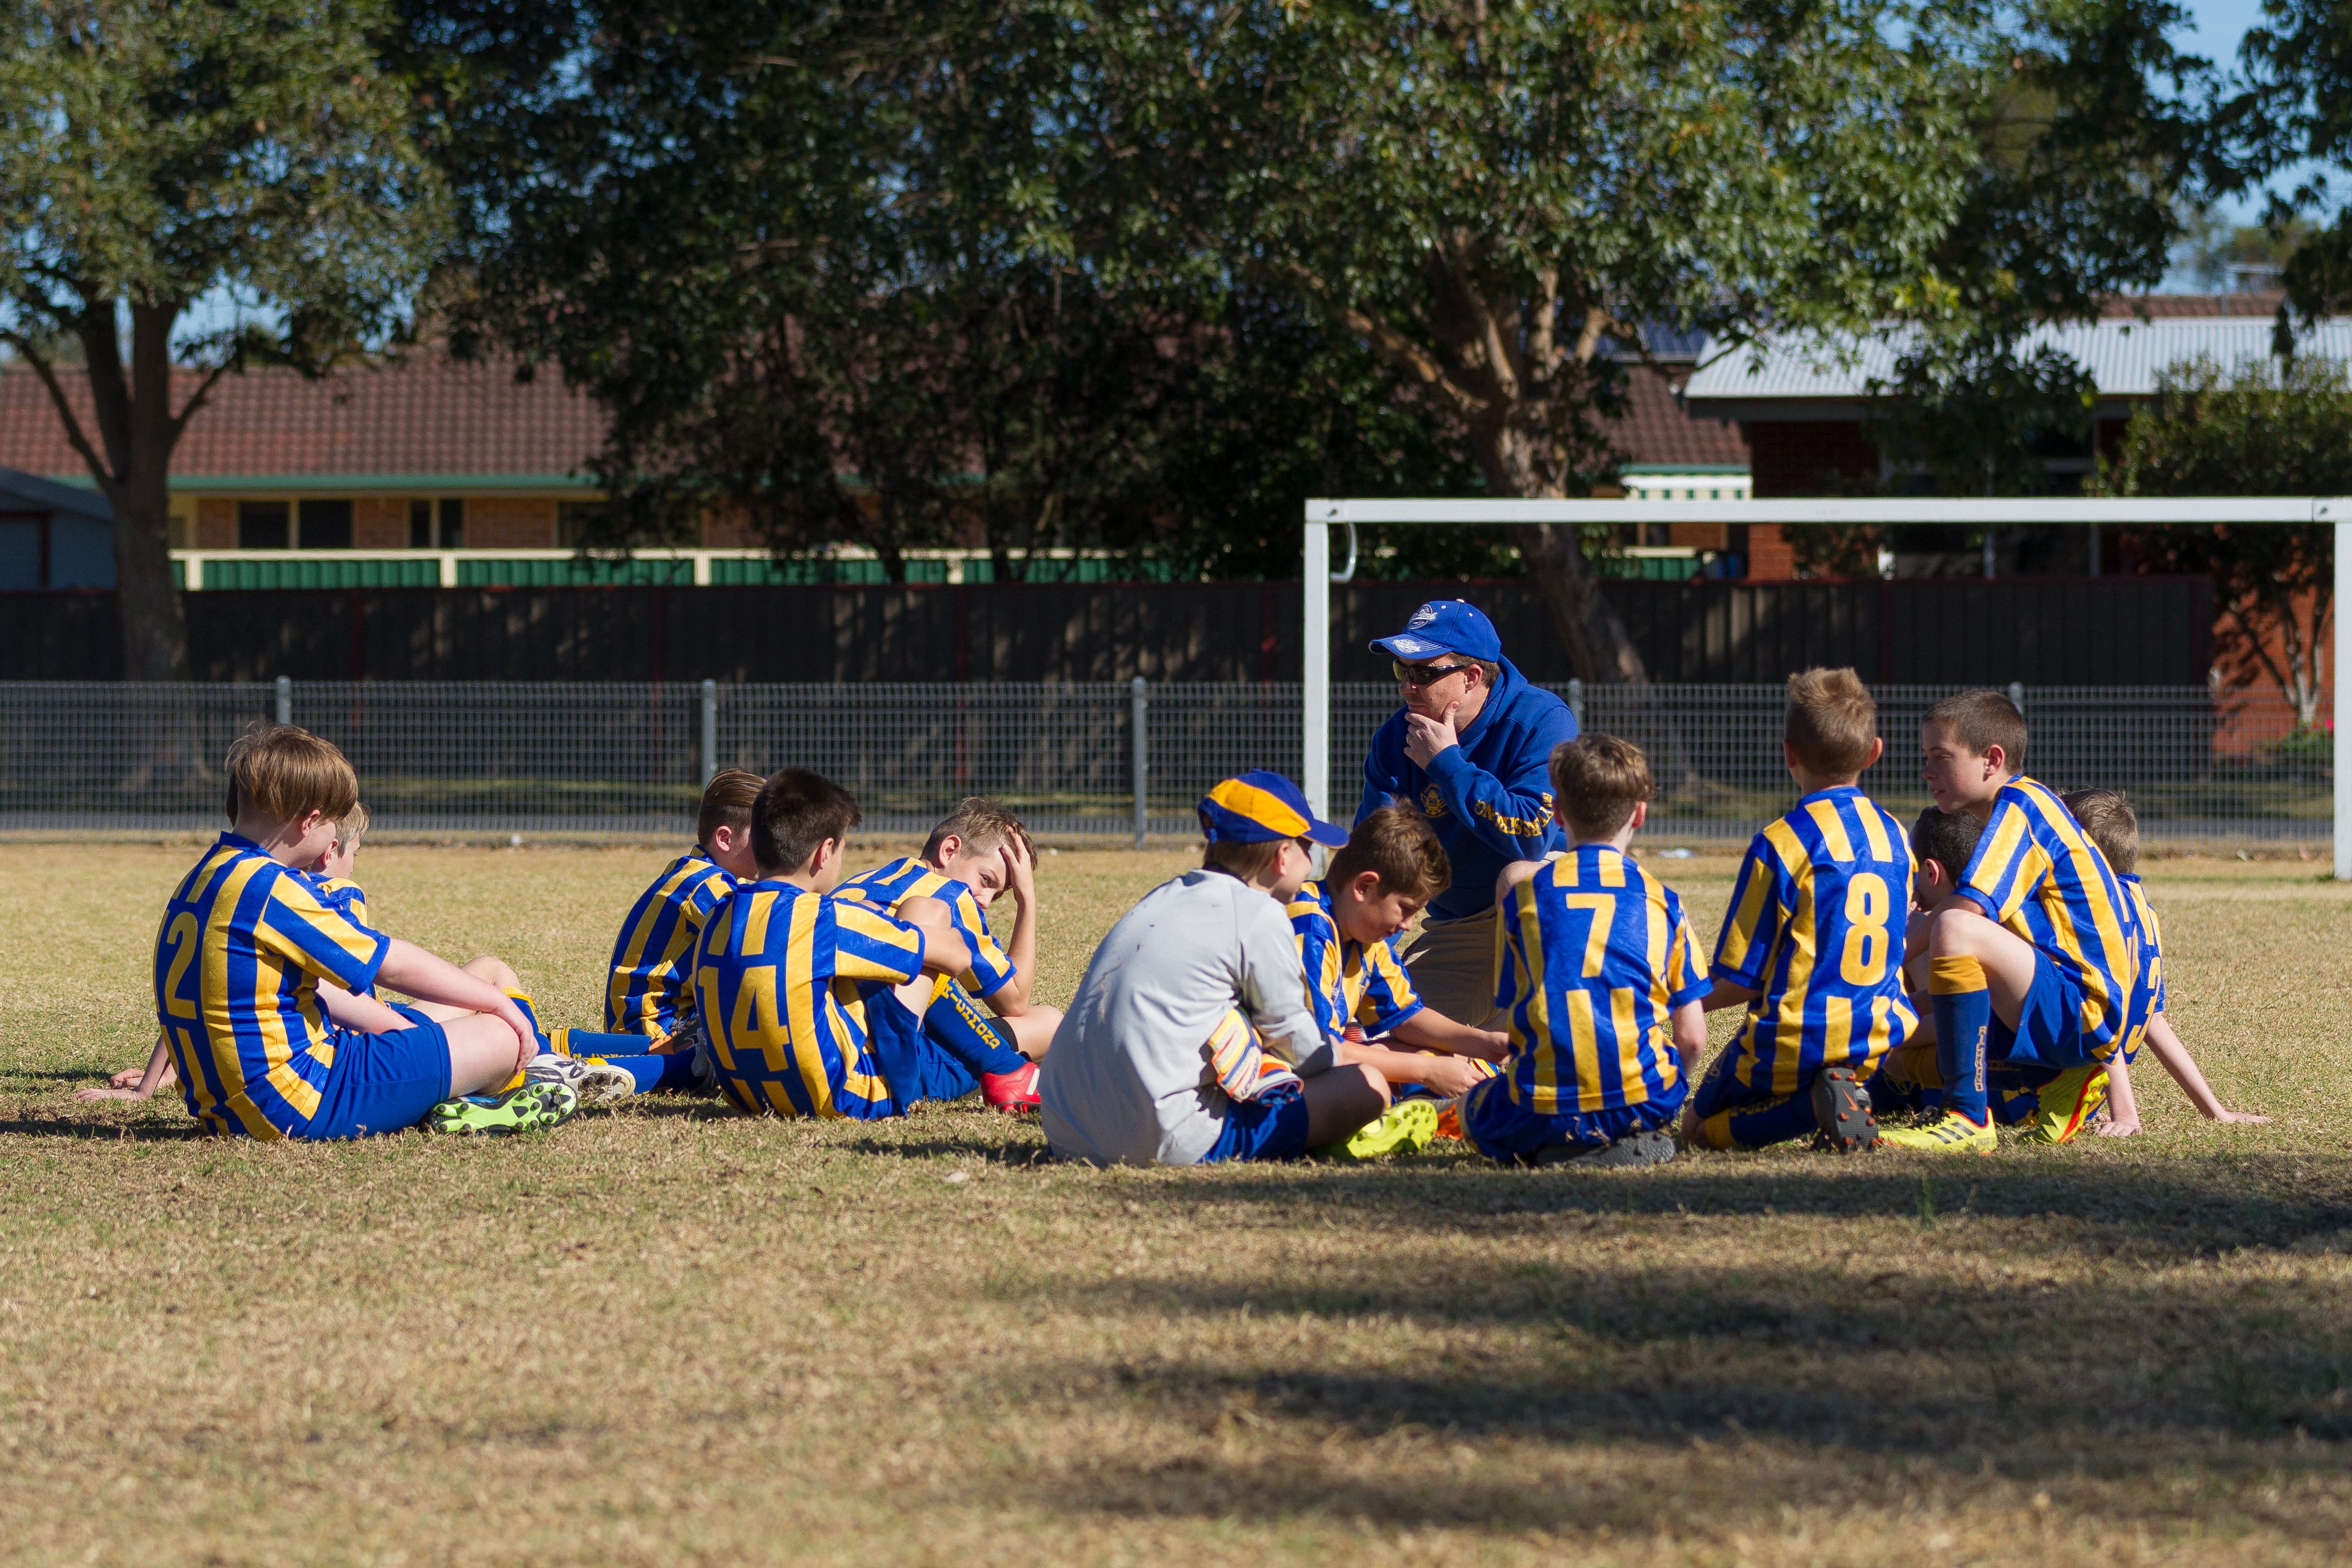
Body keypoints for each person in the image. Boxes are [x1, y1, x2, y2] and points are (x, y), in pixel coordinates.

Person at [135, 723, 573, 1139]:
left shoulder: (205, 875)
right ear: (310, 822)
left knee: (466, 1012)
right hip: (297, 1101)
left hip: (230, 1110)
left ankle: (450, 1088)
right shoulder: (270, 888)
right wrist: (498, 1003)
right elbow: (391, 965)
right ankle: (495, 1089)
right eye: (334, 821)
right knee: (498, 1036)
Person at [1039, 771, 1401, 1166]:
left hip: (1066, 1131)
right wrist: (1345, 1055)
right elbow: (1295, 1043)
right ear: (1282, 856)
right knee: (1367, 1085)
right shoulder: (1258, 912)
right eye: (1309, 848)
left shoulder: (1161, 897)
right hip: (1158, 1140)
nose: (1313, 864)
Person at [1882, 689, 2137, 1154]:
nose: (1926, 771)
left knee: (1954, 929)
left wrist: (1873, 965)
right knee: (1889, 1025)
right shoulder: (2015, 809)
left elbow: (1960, 914)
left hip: (2080, 1008)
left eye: (1941, 757)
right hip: (2059, 1006)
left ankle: (1965, 1116)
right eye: (1925, 757)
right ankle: (2058, 1080)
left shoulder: (2022, 808)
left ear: (1992, 760)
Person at [1686, 669, 1918, 1153]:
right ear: (1875, 752)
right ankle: (1833, 1096)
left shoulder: (1782, 842)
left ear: (1788, 753)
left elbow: (1743, 979)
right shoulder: (1898, 838)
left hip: (1793, 1038)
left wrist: (1678, 1002)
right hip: (1873, 1037)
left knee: (1696, 1130)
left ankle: (1812, 1106)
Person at [1470, 735, 1708, 1166]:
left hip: (1542, 1104)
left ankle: (1554, 1143)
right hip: (1642, 1100)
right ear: (1640, 813)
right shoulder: (1664, 904)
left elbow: (1514, 1009)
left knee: (1475, 1110)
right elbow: (1692, 1039)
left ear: (1558, 814)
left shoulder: (1523, 899)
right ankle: (1625, 1135)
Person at [693, 768, 977, 1119]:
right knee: (930, 912)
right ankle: (916, 1073)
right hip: (844, 1097)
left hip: (746, 1095)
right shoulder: (823, 918)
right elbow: (957, 957)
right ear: (824, 852)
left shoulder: (717, 913)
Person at [1357, 600, 1577, 1027]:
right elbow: (1375, 856)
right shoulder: (1395, 738)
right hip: (1463, 924)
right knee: (1391, 1035)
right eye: (1402, 670)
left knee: (1520, 879)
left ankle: (1542, 1023)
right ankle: (1498, 1038)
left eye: (1423, 673)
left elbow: (1530, 839)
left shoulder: (1541, 719)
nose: (1407, 687)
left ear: (1472, 677)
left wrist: (1447, 764)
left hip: (1549, 913)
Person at [2060, 788, 2268, 1136]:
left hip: (2051, 1089)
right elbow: (2151, 1018)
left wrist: (2126, 1114)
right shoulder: (2139, 907)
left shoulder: (2092, 914)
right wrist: (2215, 1111)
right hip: (2085, 1093)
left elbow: (2098, 1010)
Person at [837, 797, 1064, 1113]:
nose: (986, 900)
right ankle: (993, 1070)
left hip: (827, 1038)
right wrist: (1027, 900)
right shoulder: (948, 896)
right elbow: (1014, 1001)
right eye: (986, 881)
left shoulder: (860, 882)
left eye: (998, 896)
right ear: (949, 850)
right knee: (1049, 1022)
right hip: (881, 1065)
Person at [1284, 804, 1505, 1118]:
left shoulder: (1364, 932)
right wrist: (1426, 1070)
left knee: (1442, 1055)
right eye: (1406, 908)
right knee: (1379, 1079)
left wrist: (1483, 1042)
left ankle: (1439, 1102)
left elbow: (1406, 1018)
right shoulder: (1310, 929)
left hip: (1321, 1060)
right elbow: (1317, 1050)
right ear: (1364, 887)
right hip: (1284, 1071)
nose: (1409, 925)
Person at [604, 768, 765, 1039]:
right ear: (725, 839)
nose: (775, 845)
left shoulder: (696, 871)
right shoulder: (705, 885)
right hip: (652, 1029)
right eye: (764, 835)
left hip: (646, 1023)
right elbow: (757, 943)